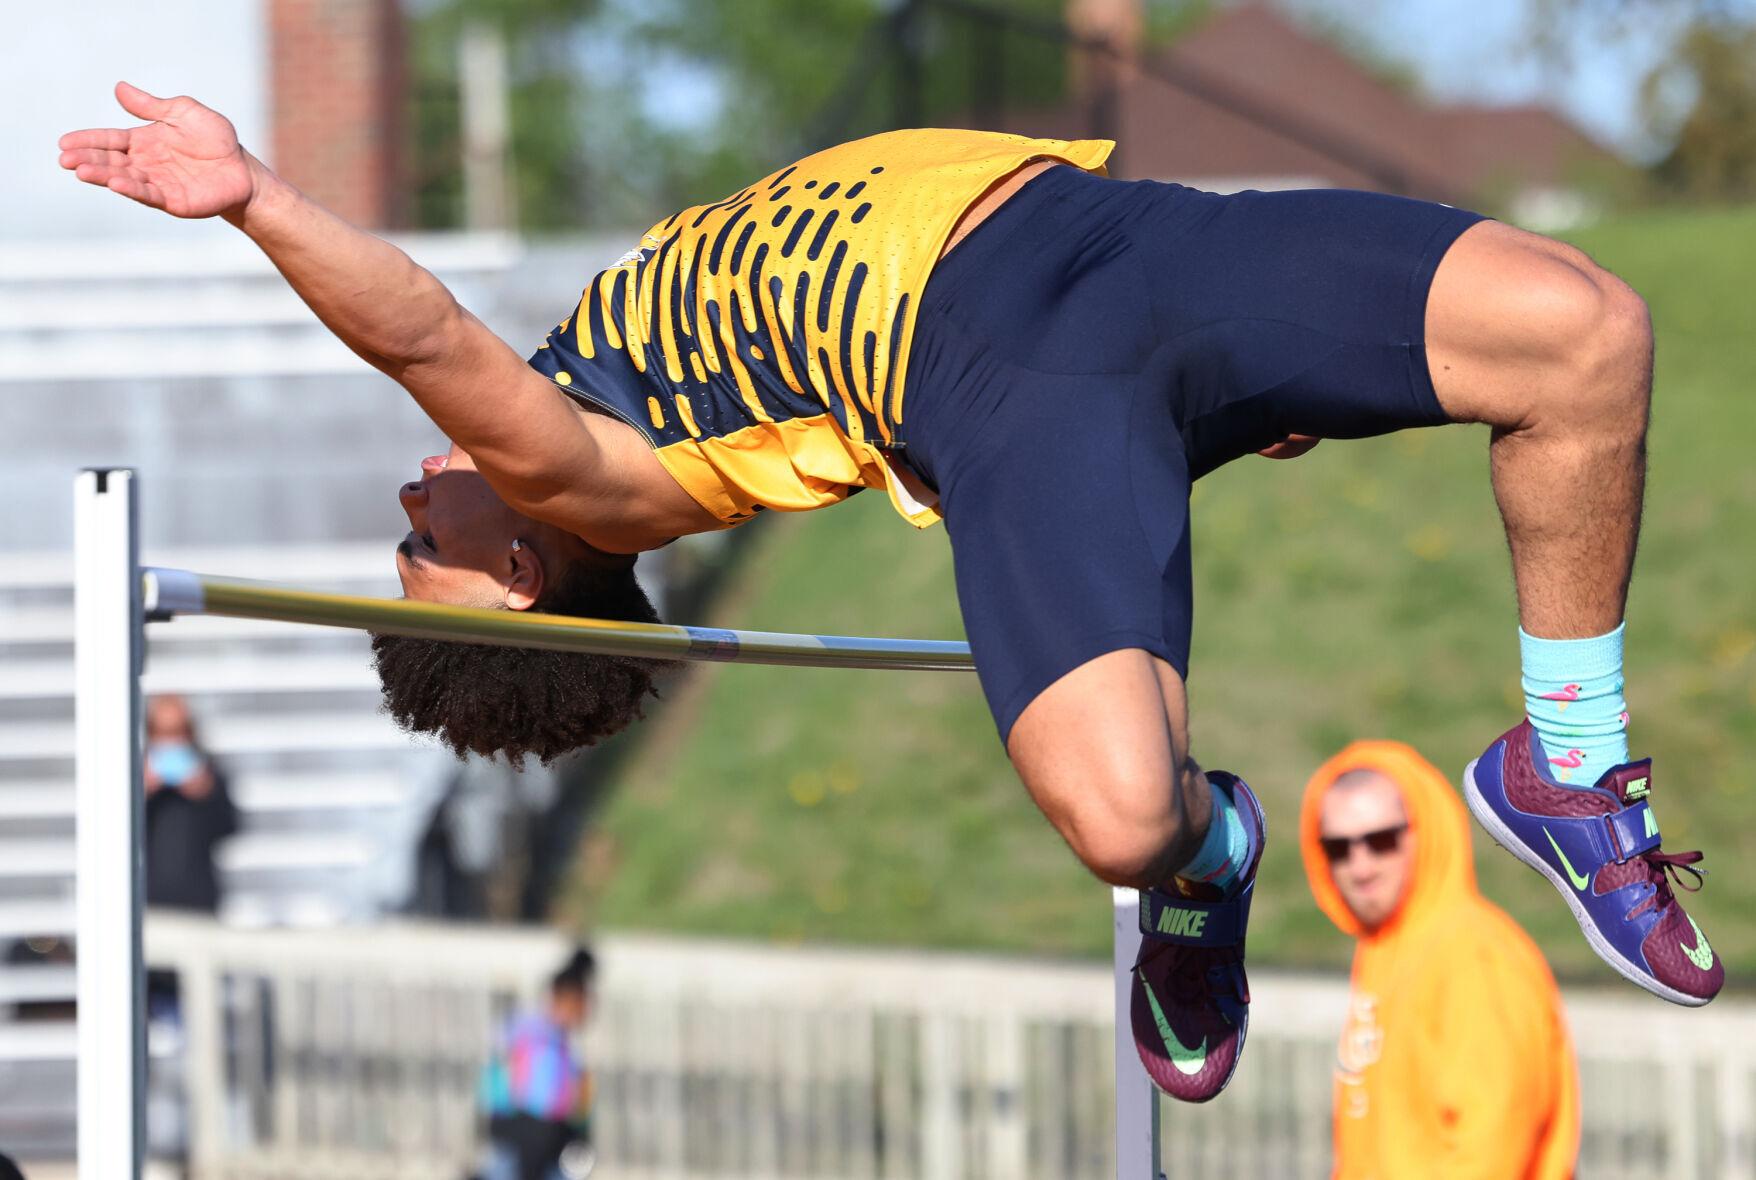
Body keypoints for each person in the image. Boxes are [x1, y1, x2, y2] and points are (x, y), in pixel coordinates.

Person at [60, 81, 1718, 1103]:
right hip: (996, 375)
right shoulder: (584, 472)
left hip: (1108, 235)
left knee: (1587, 334)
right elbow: (423, 333)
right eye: (417, 542)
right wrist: (259, 199)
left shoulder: (597, 360)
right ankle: (1211, 858)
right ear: (521, 568)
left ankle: (1565, 761)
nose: (406, 495)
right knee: (1125, 819)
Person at [1302, 741, 1579, 1178]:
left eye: (1381, 840)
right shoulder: (1385, 949)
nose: (1360, 866)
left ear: (1424, 828)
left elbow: (1491, 1143)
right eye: (1338, 848)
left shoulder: (1473, 952)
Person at [479, 949, 596, 1180]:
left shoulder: (563, 1041)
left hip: (551, 1132)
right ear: (564, 999)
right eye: (582, 1003)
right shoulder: (534, 1033)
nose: (587, 1011)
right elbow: (501, 1076)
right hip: (526, 1128)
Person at [143, 693, 239, 915]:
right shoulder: (134, 777)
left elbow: (231, 827)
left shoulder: (208, 774)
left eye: (179, 731)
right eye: (163, 732)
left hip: (198, 899)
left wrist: (207, 795)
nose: (171, 741)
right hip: (149, 899)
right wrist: (142, 794)